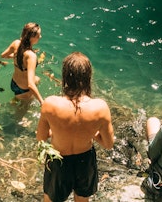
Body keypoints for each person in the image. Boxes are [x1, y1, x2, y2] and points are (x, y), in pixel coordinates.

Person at [36, 52, 114, 202]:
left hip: (57, 159)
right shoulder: (100, 107)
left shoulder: (50, 104)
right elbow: (108, 144)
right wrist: (90, 132)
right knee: (82, 200)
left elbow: (41, 138)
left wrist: (57, 130)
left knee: (50, 199)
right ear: (88, 78)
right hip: (85, 161)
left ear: (65, 76)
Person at [0, 22, 44, 104]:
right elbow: (30, 85)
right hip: (24, 89)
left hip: (14, 83)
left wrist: (17, 56)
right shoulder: (31, 56)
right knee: (21, 112)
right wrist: (42, 102)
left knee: (37, 79)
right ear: (32, 38)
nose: (40, 37)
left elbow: (3, 55)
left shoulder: (16, 43)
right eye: (38, 36)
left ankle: (15, 99)